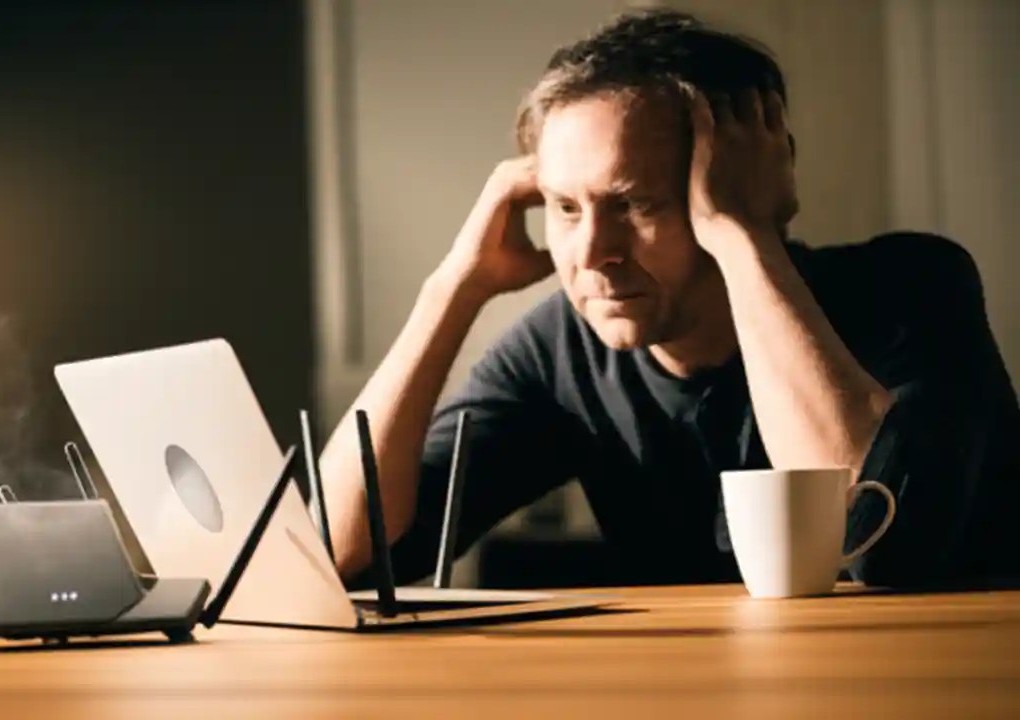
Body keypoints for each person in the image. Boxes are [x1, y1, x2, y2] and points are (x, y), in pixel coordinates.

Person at [316, 10, 1020, 589]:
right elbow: (343, 554)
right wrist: (453, 290)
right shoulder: (561, 350)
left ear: (744, 179)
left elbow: (881, 546)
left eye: (635, 203)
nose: (591, 252)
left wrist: (745, 234)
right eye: (564, 206)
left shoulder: (913, 286)